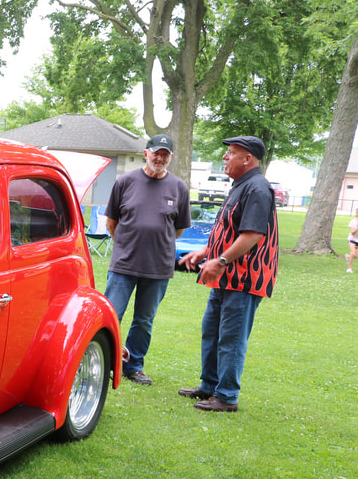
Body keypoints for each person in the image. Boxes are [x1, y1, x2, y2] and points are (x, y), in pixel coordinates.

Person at [177, 135, 279, 413]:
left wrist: (220, 260)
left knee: (231, 338)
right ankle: (209, 385)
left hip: (243, 278)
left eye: (231, 153)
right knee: (211, 332)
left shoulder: (257, 188)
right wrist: (205, 251)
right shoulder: (240, 186)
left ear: (247, 159)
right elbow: (229, 228)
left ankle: (227, 396)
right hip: (226, 277)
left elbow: (253, 234)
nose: (225, 157)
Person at [102, 133, 191, 385]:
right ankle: (105, 362)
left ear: (170, 158)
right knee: (111, 316)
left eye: (165, 155)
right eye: (156, 153)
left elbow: (178, 229)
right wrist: (128, 244)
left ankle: (133, 366)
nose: (159, 158)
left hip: (158, 267)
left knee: (144, 320)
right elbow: (111, 223)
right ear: (146, 153)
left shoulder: (179, 188)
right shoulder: (125, 182)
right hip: (124, 264)